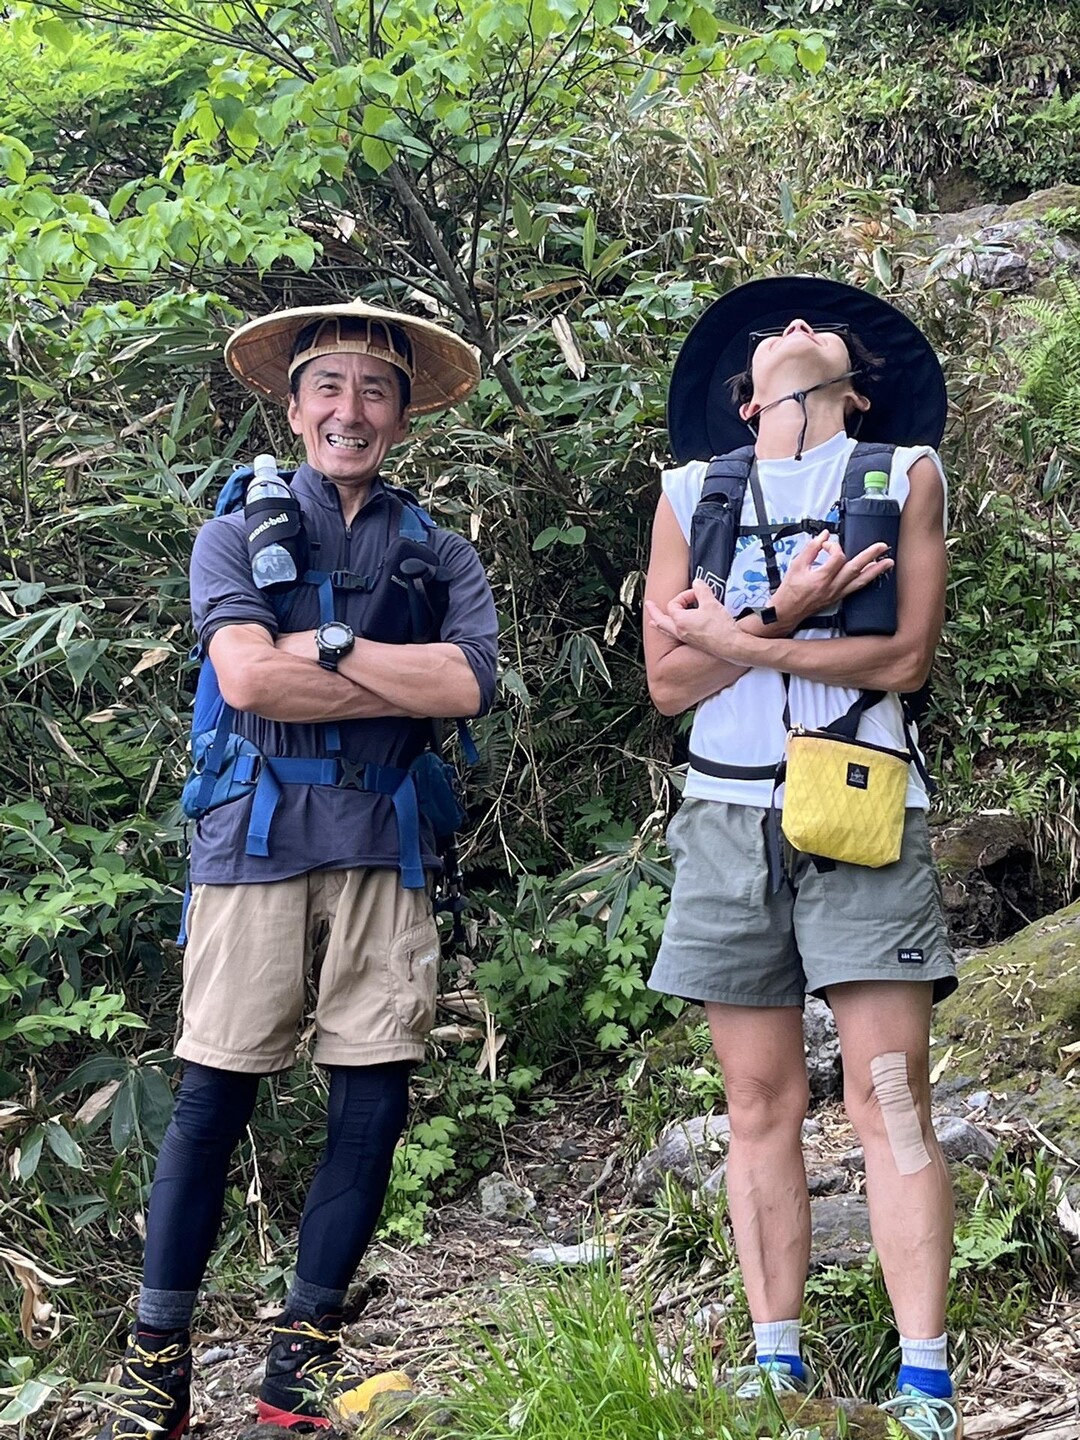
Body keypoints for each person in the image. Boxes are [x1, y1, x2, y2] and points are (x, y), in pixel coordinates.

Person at [98, 301, 498, 1438]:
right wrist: (390, 676)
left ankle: (297, 1369)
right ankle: (154, 1369)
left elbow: (470, 687)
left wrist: (318, 647)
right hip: (254, 837)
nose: (350, 411)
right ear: (293, 406)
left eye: (376, 391)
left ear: (404, 417)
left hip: (384, 842)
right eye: (330, 388)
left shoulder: (437, 550)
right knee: (214, 1092)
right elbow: (248, 682)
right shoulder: (234, 533)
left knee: (371, 1099)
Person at [643, 277, 960, 1439]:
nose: (789, 328)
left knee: (892, 1100)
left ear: (855, 387)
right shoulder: (690, 493)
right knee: (758, 1102)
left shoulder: (899, 473)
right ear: (741, 401)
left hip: (861, 804)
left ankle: (925, 1382)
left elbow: (906, 656)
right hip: (726, 819)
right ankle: (776, 1366)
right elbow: (668, 684)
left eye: (809, 329)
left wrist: (724, 631)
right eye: (770, 335)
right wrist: (778, 619)